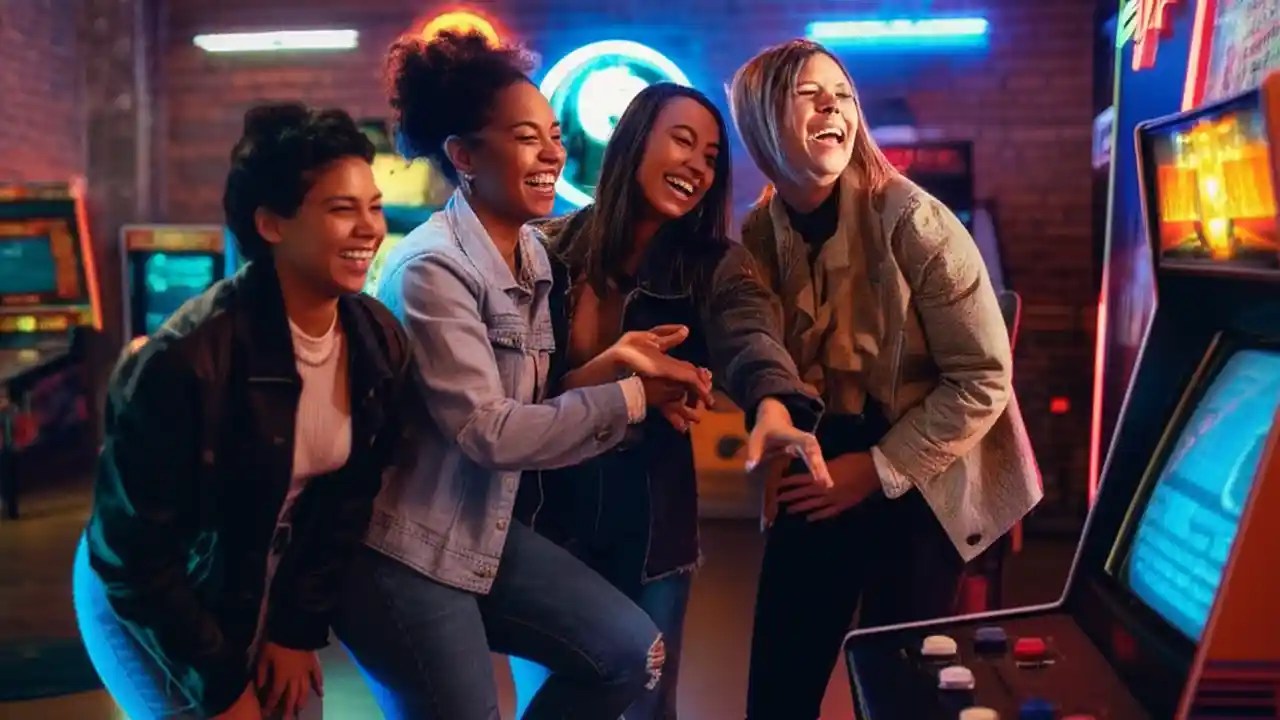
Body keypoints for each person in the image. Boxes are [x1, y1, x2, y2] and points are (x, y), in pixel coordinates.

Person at [333, 31, 714, 720]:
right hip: (407, 550)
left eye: (555, 136)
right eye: (525, 138)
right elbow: (490, 432)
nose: (551, 154)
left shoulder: (533, 257)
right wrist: (631, 398)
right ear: (464, 156)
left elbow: (535, 404)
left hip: (485, 531)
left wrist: (619, 361)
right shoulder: (432, 269)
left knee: (633, 654)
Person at [728, 39, 1043, 718]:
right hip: (824, 452)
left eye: (842, 95)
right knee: (778, 684)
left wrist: (872, 471)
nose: (833, 107)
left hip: (928, 468)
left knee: (897, 692)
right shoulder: (759, 232)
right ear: (761, 118)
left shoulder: (915, 220)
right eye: (809, 94)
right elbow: (755, 348)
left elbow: (984, 379)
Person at [73, 102, 419, 720]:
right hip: (154, 593)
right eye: (341, 209)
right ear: (271, 224)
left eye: (373, 206)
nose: (369, 228)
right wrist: (222, 687)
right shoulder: (186, 360)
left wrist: (294, 630)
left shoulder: (377, 341)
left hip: (260, 579)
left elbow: (345, 501)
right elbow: (133, 555)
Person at [508, 83, 828, 719]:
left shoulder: (714, 265)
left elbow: (751, 336)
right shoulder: (543, 250)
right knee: (553, 703)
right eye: (683, 141)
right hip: (544, 523)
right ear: (634, 140)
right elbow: (513, 399)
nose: (698, 167)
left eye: (711, 157)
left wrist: (773, 403)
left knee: (648, 707)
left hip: (651, 532)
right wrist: (620, 379)